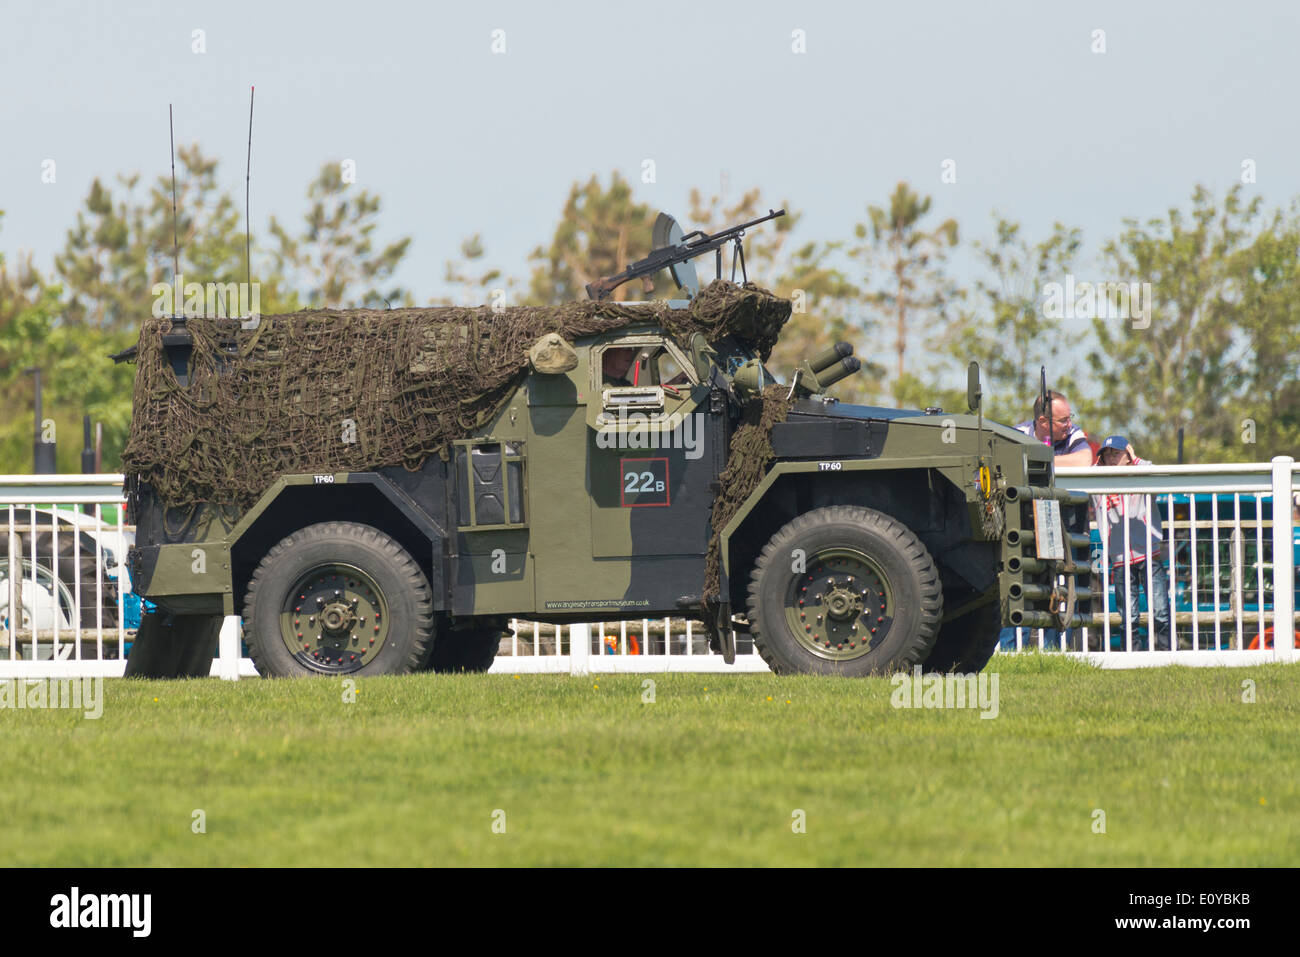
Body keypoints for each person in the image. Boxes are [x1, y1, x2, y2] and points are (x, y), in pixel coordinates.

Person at [1092, 434, 1172, 651]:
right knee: (1128, 616)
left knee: (1161, 612)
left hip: (1148, 553)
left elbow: (1155, 472)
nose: (1111, 459)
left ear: (1128, 456)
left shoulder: (1142, 474)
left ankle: (1167, 655)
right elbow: (1089, 474)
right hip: (1119, 558)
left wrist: (1135, 459)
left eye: (1116, 454)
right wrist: (1099, 465)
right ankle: (1131, 658)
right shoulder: (1100, 485)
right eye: (1106, 456)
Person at [1014, 390, 1093, 467]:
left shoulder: (1072, 432)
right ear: (1043, 421)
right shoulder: (1018, 434)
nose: (1069, 425)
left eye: (1070, 417)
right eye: (1063, 420)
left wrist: (1038, 461)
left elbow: (1085, 460)